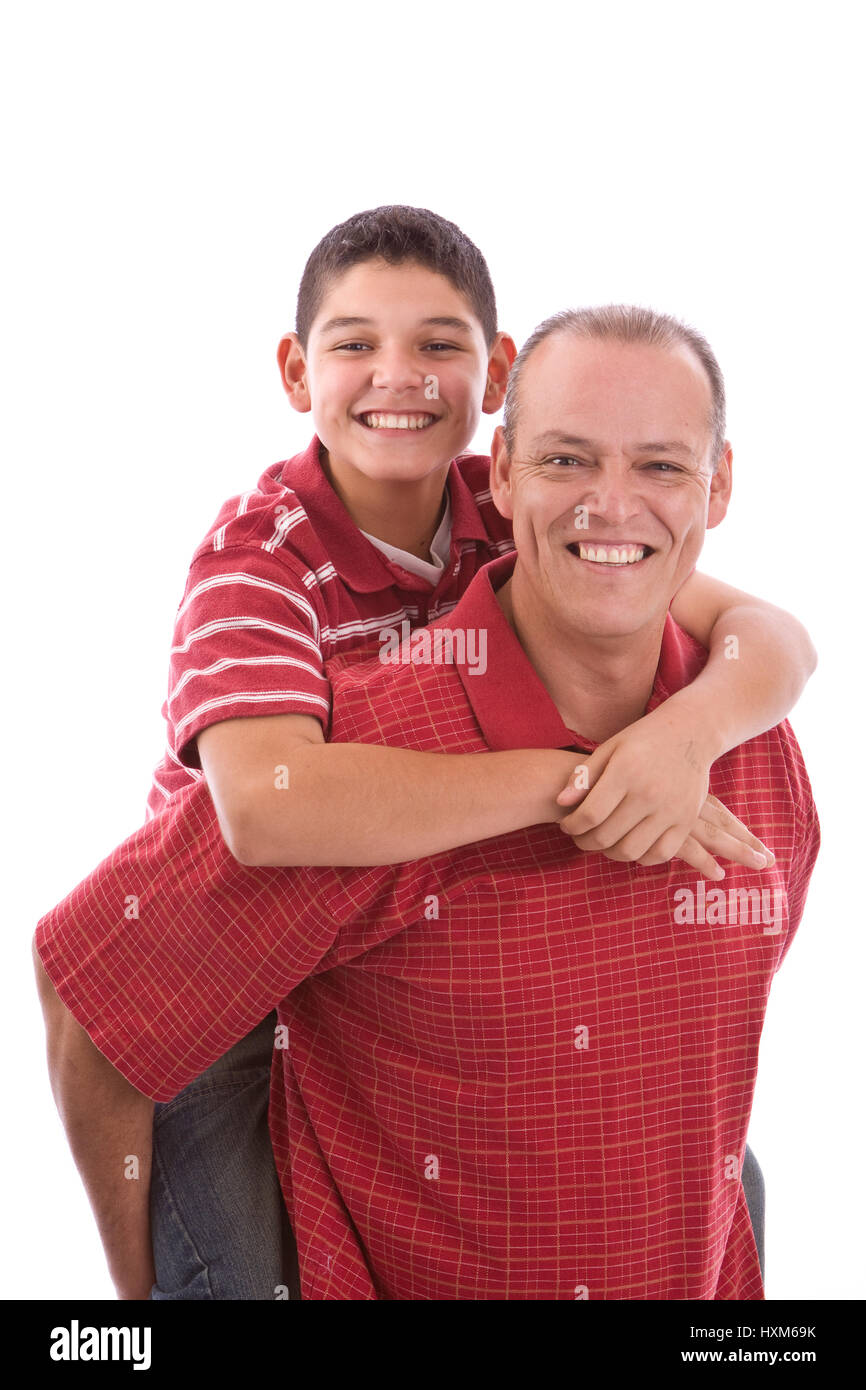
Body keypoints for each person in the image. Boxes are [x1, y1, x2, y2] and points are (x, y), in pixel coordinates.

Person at [35, 303, 818, 1299]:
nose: (612, 505)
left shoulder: (752, 740)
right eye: (567, 461)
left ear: (719, 485)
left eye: (660, 466)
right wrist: (147, 1298)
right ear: (503, 473)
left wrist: (690, 732)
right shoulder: (351, 764)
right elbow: (94, 985)